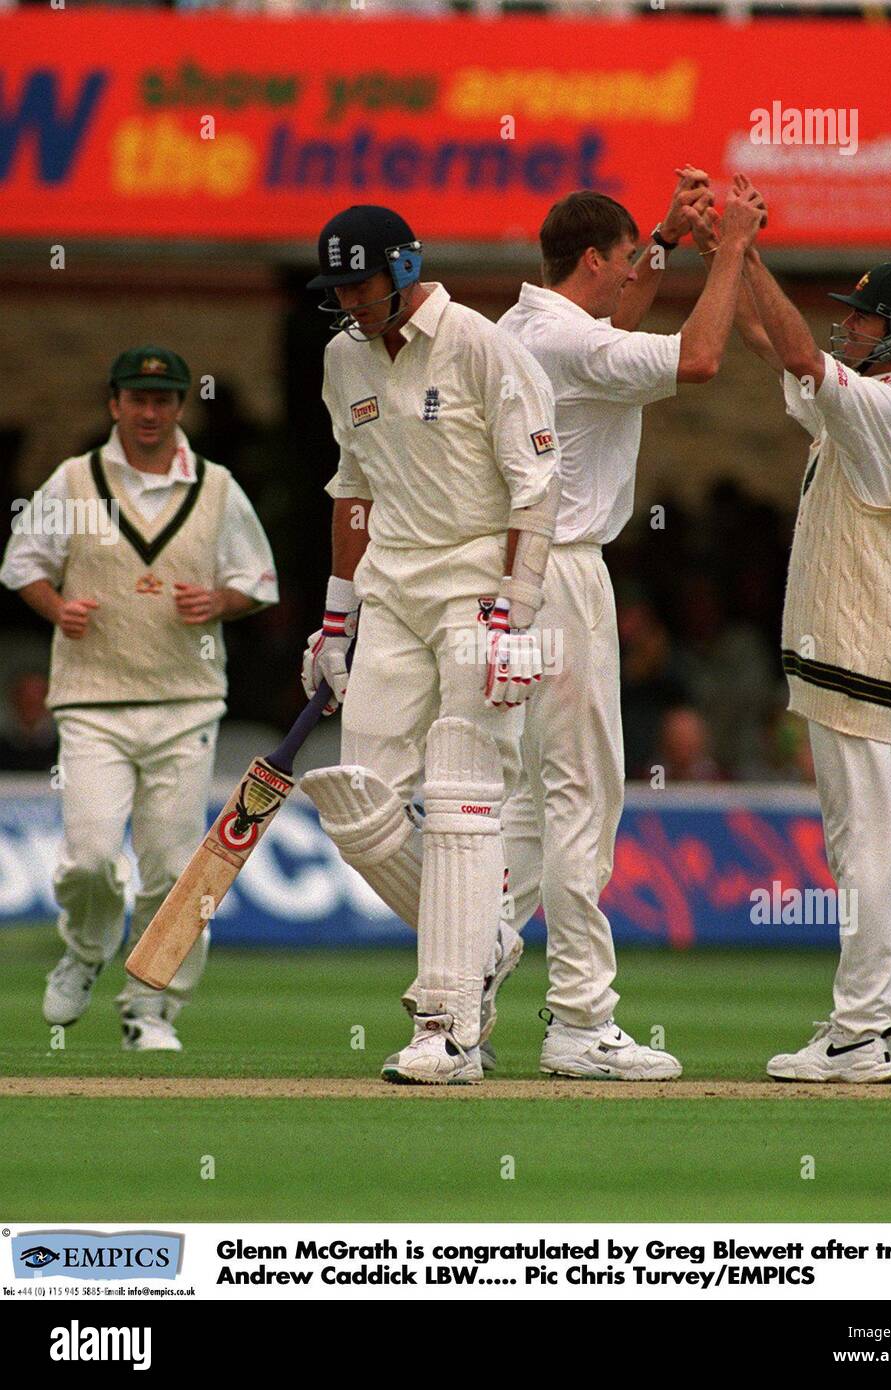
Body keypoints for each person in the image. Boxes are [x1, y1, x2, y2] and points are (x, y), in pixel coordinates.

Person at [494, 174, 764, 1079]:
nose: (633, 276)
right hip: (563, 572)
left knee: (530, 804)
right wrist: (728, 251)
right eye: (625, 263)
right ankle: (578, 1020)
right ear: (591, 261)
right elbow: (697, 359)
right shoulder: (571, 342)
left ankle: (465, 995)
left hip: (514, 575)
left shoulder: (522, 325)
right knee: (583, 795)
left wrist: (664, 237)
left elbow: (618, 316)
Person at [691, 176, 891, 1083]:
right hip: (851, 653)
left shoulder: (886, 413)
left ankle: (857, 1035)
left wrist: (738, 250)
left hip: (860, 652)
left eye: (870, 322)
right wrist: (736, 254)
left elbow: (801, 355)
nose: (853, 329)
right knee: (877, 842)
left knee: (865, 846)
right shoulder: (867, 405)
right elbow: (777, 343)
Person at [297, 205, 561, 1085]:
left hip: (476, 583)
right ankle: (481, 937)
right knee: (357, 800)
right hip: (391, 592)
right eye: (336, 286)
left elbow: (537, 484)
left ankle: (446, 1025)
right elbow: (352, 488)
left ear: (405, 269)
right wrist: (336, 618)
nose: (348, 301)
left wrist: (513, 609)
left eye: (360, 283)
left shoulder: (481, 345)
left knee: (459, 791)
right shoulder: (344, 358)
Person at [0, 347, 278, 1050]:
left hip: (185, 703)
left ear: (180, 407)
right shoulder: (73, 480)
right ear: (115, 405)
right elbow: (22, 564)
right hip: (93, 700)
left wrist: (220, 598)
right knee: (90, 857)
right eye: (136, 399)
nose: (149, 413)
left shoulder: (215, 487)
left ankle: (150, 1008)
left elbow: (259, 579)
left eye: (163, 401)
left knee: (172, 869)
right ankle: (86, 950)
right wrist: (56, 606)